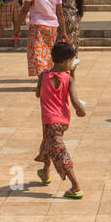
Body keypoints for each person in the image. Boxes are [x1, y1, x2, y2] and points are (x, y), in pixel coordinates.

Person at [33, 40, 86, 198]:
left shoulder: (43, 75)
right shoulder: (68, 78)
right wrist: (80, 111)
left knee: (57, 149)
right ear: (64, 61)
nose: (71, 64)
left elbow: (37, 94)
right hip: (61, 121)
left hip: (49, 120)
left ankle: (75, 186)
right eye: (70, 61)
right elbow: (75, 101)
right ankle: (45, 172)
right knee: (50, 144)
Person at [22, 0, 67, 76]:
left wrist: (17, 27)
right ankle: (49, 77)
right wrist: (63, 31)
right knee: (49, 53)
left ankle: (43, 80)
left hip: (37, 26)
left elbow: (24, 10)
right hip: (52, 27)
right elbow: (60, 13)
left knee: (37, 53)